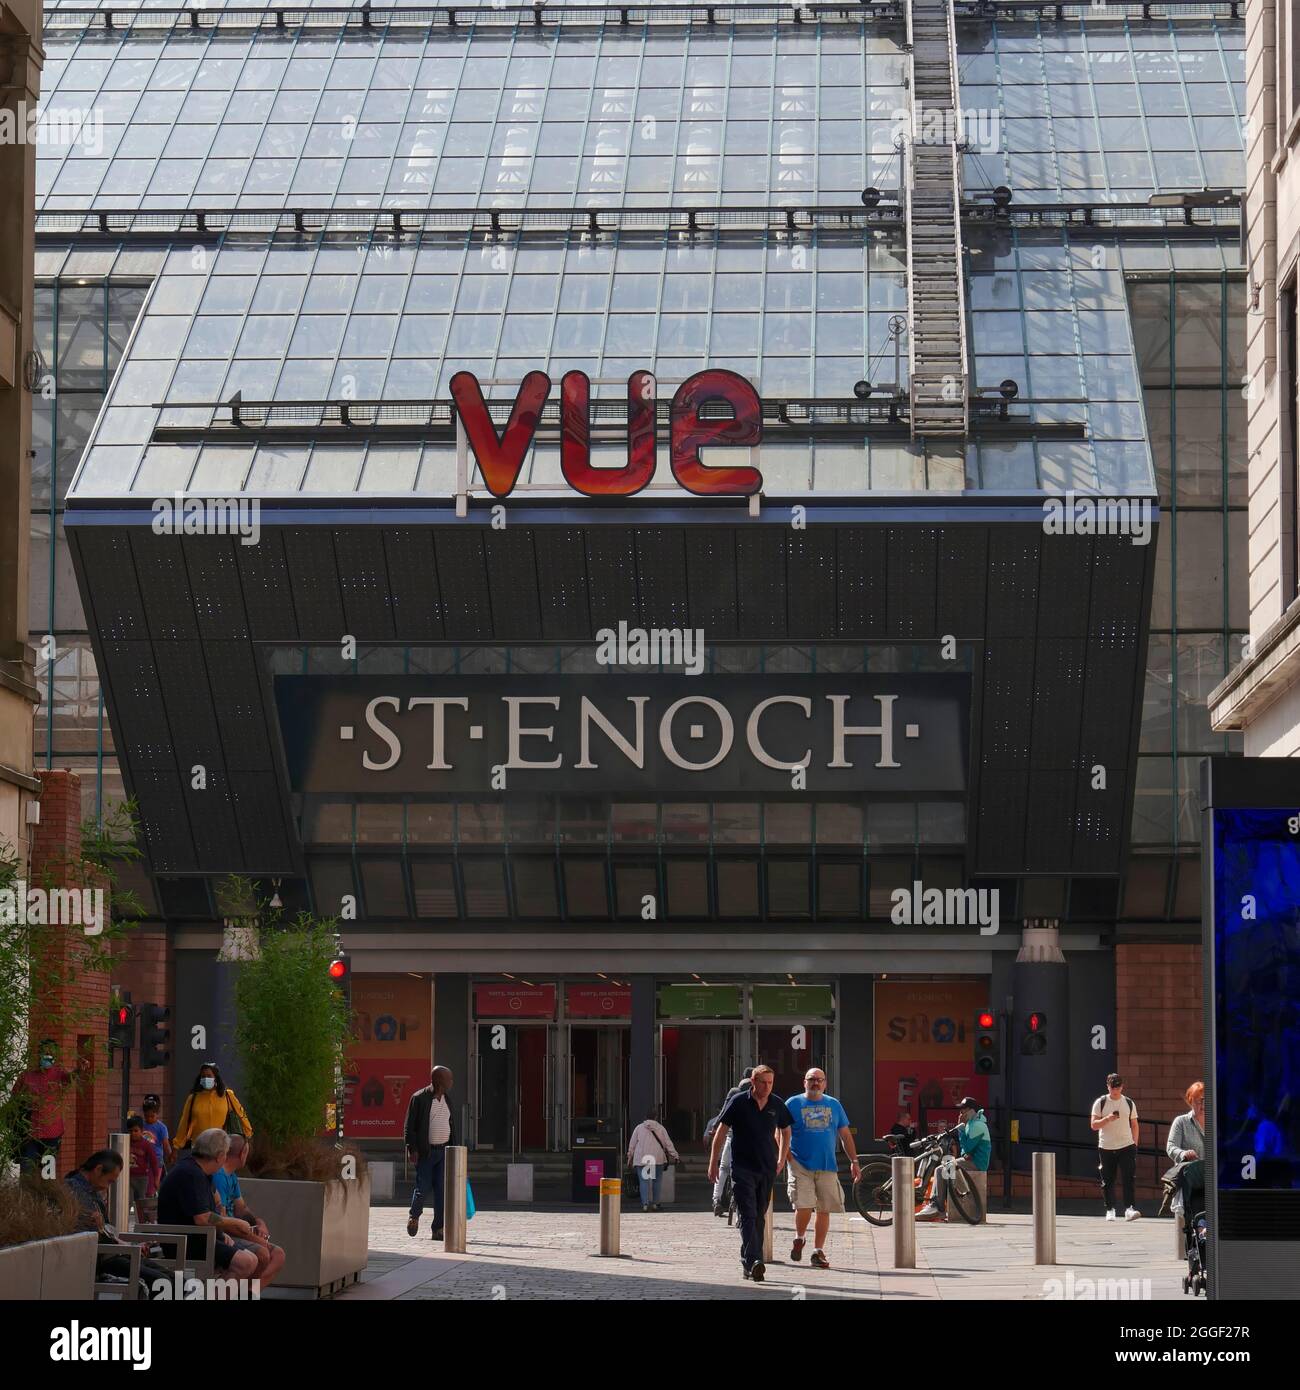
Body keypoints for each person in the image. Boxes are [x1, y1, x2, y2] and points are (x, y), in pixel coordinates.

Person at [707, 1063, 792, 1283]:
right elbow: (721, 1131)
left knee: (760, 1216)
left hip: (767, 1168)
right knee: (748, 1213)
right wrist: (713, 1162)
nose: (767, 1087)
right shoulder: (738, 1102)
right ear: (753, 1081)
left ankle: (749, 1262)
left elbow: (786, 1131)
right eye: (763, 1082)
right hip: (742, 1167)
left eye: (770, 1083)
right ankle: (755, 1260)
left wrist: (782, 1158)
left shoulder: (777, 1104)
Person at [157, 1128, 259, 1284]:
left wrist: (221, 1234)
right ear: (219, 1157)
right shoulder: (192, 1174)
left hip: (195, 1238)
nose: (226, 1158)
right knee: (246, 1262)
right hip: (184, 1242)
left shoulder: (199, 1171)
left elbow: (212, 1206)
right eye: (225, 1154)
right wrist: (237, 1222)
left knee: (251, 1259)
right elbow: (202, 1218)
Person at [64, 1150, 171, 1299]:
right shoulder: (73, 1190)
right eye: (109, 1181)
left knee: (172, 1278)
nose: (108, 1187)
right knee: (161, 1281)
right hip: (99, 1257)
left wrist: (127, 1245)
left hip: (110, 1251)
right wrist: (126, 1247)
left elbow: (105, 1230)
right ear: (98, 1169)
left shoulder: (91, 1190)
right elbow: (94, 1233)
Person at [785, 1068, 859, 1268]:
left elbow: (845, 1135)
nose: (815, 1083)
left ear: (825, 1083)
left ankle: (818, 1252)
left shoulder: (833, 1104)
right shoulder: (792, 1103)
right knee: (804, 1204)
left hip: (827, 1164)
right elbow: (781, 1131)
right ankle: (799, 1238)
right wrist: (787, 1156)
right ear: (804, 1082)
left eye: (819, 1080)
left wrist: (854, 1161)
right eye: (811, 1079)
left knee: (824, 1208)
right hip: (800, 1163)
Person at [213, 1134, 286, 1288]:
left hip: (235, 1230)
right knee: (264, 1253)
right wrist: (257, 1239)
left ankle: (249, 1293)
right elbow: (224, 1222)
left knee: (278, 1254)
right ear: (243, 1152)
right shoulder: (219, 1177)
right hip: (225, 1234)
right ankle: (241, 1292)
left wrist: (259, 1222)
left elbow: (242, 1209)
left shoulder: (231, 1175)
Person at [919, 1096, 991, 1220]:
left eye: (964, 1110)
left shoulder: (977, 1125)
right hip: (971, 1160)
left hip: (977, 1163)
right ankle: (940, 1207)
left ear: (972, 1111)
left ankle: (937, 1206)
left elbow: (967, 1148)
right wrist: (965, 1151)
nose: (961, 1113)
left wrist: (961, 1129)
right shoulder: (972, 1124)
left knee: (941, 1170)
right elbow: (964, 1151)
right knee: (944, 1169)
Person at [404, 1065, 454, 1239]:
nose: (451, 1082)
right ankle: (414, 1216)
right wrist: (412, 1149)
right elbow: (410, 1127)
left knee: (442, 1191)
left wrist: (454, 1149)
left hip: (443, 1153)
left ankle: (438, 1228)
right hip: (426, 1152)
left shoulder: (447, 1099)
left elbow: (451, 1125)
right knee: (422, 1188)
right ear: (439, 1080)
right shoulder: (419, 1098)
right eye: (449, 1079)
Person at [14, 1039, 71, 1174]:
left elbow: (71, 1076)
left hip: (52, 1132)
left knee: (47, 1172)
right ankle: (27, 1195)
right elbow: (15, 1097)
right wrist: (27, 1100)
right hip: (30, 1132)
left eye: (50, 1053)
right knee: (27, 1170)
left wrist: (81, 1068)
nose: (47, 1055)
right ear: (38, 1055)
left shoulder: (58, 1073)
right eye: (44, 1053)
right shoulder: (26, 1076)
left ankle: (45, 1194)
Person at [1090, 1071, 1140, 1221]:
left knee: (1128, 1178)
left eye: (1118, 1087)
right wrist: (1107, 1119)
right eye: (1112, 1087)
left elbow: (1135, 1124)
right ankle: (1110, 1209)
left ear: (1122, 1087)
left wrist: (1135, 1144)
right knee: (1108, 1179)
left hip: (1126, 1145)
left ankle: (1129, 1208)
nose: (1115, 1090)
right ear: (1108, 1087)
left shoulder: (1129, 1103)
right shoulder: (1101, 1102)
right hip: (1106, 1146)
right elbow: (1093, 1125)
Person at [173, 1063, 251, 1150]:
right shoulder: (193, 1098)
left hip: (220, 1146)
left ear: (215, 1078)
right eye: (203, 1076)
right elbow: (184, 1122)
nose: (206, 1078)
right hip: (199, 1146)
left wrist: (248, 1134)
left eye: (209, 1076)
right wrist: (177, 1145)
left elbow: (241, 1114)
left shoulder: (227, 1095)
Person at [705, 1068, 751, 1217]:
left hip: (732, 1137)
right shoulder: (759, 1092)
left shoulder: (734, 1092)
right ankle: (736, 1200)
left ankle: (716, 1200)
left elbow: (724, 1112)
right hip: (750, 1140)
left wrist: (714, 1127)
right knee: (742, 1172)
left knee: (724, 1168)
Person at [1165, 1081, 1206, 1219]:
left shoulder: (1217, 1122)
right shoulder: (1181, 1122)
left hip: (1212, 1176)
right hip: (1192, 1177)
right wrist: (1183, 1153)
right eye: (1198, 1101)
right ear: (1190, 1101)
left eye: (1205, 1100)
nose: (1203, 1105)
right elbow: (1170, 1146)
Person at [626, 1111, 679, 1212]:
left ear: (645, 1117)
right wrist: (675, 1155)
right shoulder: (661, 1128)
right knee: (656, 1182)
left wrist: (629, 1157)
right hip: (656, 1158)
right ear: (656, 1117)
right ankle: (655, 1204)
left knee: (644, 1181)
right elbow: (668, 1143)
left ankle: (645, 1204)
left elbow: (632, 1144)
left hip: (643, 1158)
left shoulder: (639, 1128)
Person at [126, 1113, 162, 1224]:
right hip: (129, 1177)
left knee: (140, 1202)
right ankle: (125, 1222)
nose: (133, 1134)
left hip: (142, 1179)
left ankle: (141, 1224)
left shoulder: (146, 1145)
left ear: (142, 1131)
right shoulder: (126, 1143)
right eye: (130, 1131)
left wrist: (156, 1179)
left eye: (136, 1131)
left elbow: (154, 1162)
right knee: (128, 1201)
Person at [140, 1094, 173, 1170]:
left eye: (152, 1116)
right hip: (143, 1158)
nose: (149, 1119)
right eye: (146, 1116)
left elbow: (166, 1144)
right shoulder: (141, 1125)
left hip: (157, 1158)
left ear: (157, 1113)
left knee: (155, 1180)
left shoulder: (162, 1127)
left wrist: (170, 1155)